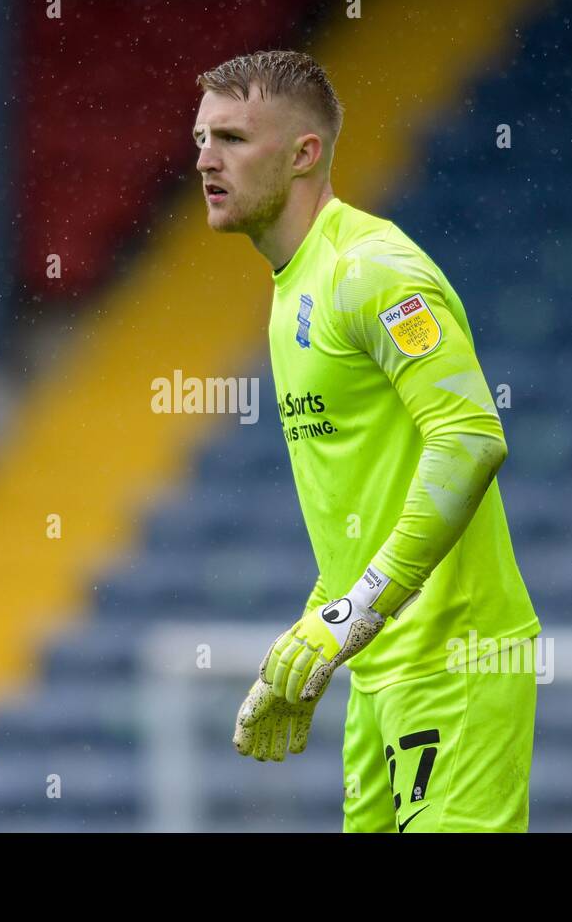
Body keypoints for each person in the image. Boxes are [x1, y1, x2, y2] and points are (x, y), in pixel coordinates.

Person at [194, 49, 542, 832]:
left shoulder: (372, 272)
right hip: (383, 672)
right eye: (200, 139)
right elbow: (365, 511)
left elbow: (471, 437)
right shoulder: (293, 293)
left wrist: (351, 616)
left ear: (303, 152)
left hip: (458, 659)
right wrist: (307, 642)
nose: (206, 159)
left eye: (232, 139)